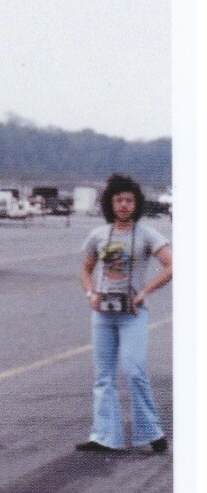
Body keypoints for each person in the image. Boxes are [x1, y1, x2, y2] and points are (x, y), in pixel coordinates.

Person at [77, 173, 173, 454]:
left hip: (133, 313)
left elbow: (171, 265)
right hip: (103, 313)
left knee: (134, 369)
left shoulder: (147, 234)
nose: (123, 205)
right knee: (103, 375)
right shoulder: (98, 235)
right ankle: (105, 436)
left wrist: (146, 292)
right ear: (110, 203)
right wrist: (91, 293)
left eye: (129, 200)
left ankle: (152, 432)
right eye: (118, 200)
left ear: (137, 204)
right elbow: (86, 269)